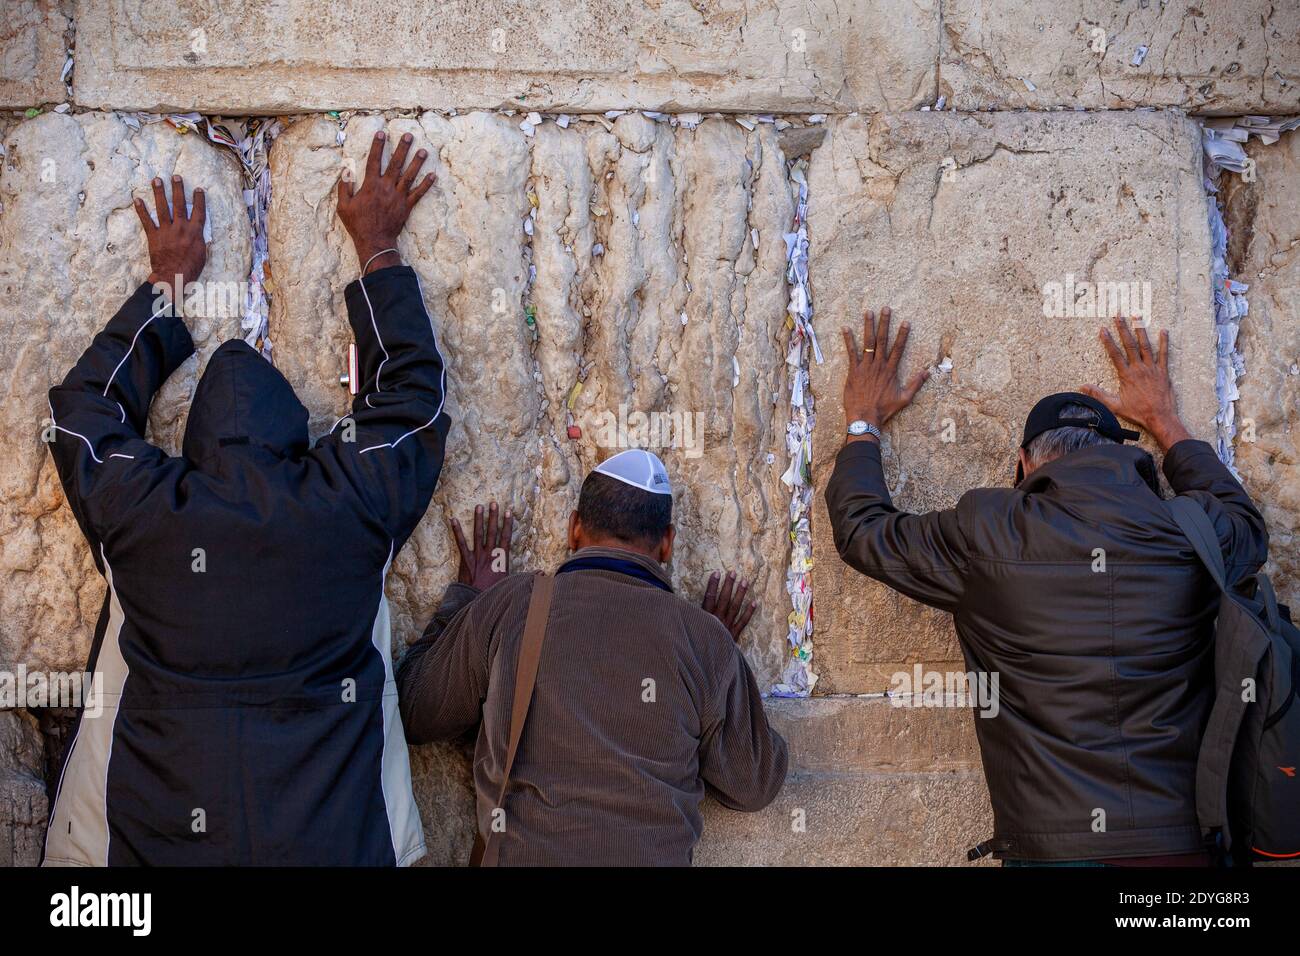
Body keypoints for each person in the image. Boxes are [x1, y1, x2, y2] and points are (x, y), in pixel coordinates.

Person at [43, 131, 446, 866]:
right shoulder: (347, 506)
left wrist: (167, 282)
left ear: (191, 442)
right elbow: (413, 405)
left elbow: (80, 417)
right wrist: (377, 246)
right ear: (299, 434)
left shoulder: (146, 516)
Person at [825, 309, 1268, 865]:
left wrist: (863, 422)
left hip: (1051, 851)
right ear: (1126, 459)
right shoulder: (1190, 528)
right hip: (1179, 848)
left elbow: (864, 532)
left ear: (1024, 464)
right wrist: (1167, 422)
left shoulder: (987, 530)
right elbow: (1250, 530)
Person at [396, 449, 789, 865]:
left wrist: (469, 601)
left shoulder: (511, 607)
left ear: (574, 528)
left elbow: (416, 711)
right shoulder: (704, 639)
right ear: (667, 543)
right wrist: (717, 663)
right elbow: (754, 785)